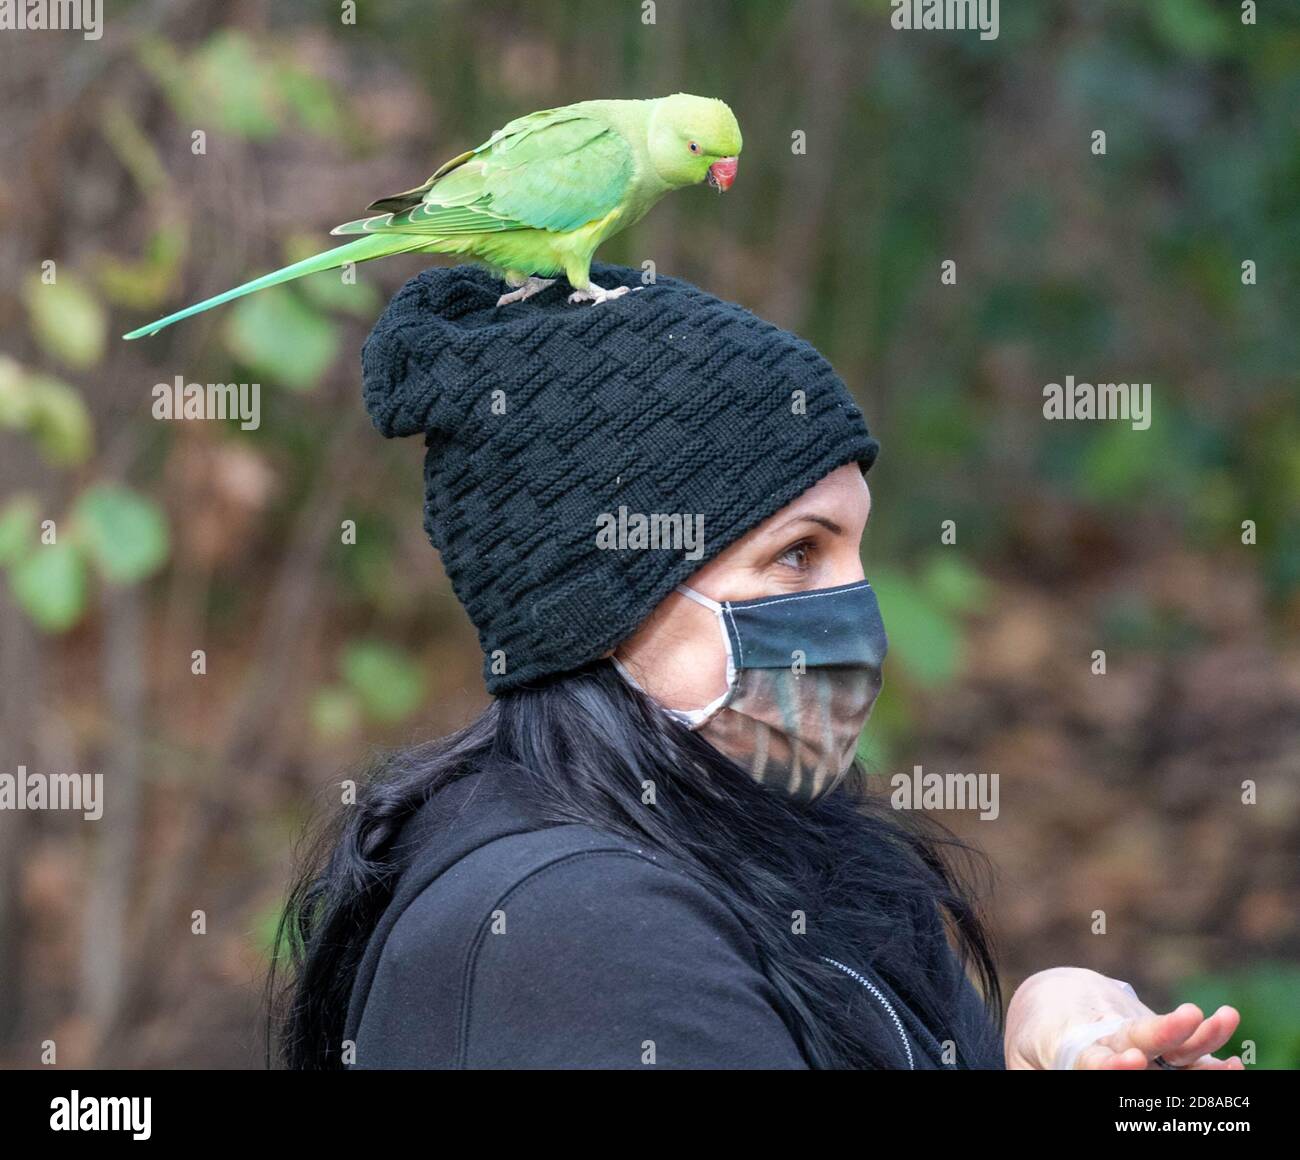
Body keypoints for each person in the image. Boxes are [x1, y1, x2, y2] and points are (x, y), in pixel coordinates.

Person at [270, 263, 1243, 1070]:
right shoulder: (574, 932)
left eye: (855, 551)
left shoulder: (778, 849)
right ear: (603, 602)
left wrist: (1037, 1026)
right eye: (796, 554)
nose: (857, 611)